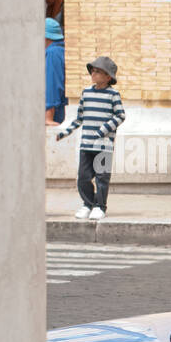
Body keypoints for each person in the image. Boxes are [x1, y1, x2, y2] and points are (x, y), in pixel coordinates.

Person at [58, 56, 125, 221]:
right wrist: (66, 132)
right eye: (92, 71)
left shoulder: (113, 94)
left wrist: (103, 130)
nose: (93, 74)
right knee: (83, 177)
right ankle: (87, 204)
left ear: (108, 77)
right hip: (86, 144)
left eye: (98, 71)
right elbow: (80, 118)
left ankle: (100, 206)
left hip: (104, 146)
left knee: (102, 177)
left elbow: (120, 116)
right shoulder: (86, 93)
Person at [44, 18, 66, 125]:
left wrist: (48, 117)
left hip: (55, 114)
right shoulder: (61, 49)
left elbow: (52, 84)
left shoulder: (53, 53)